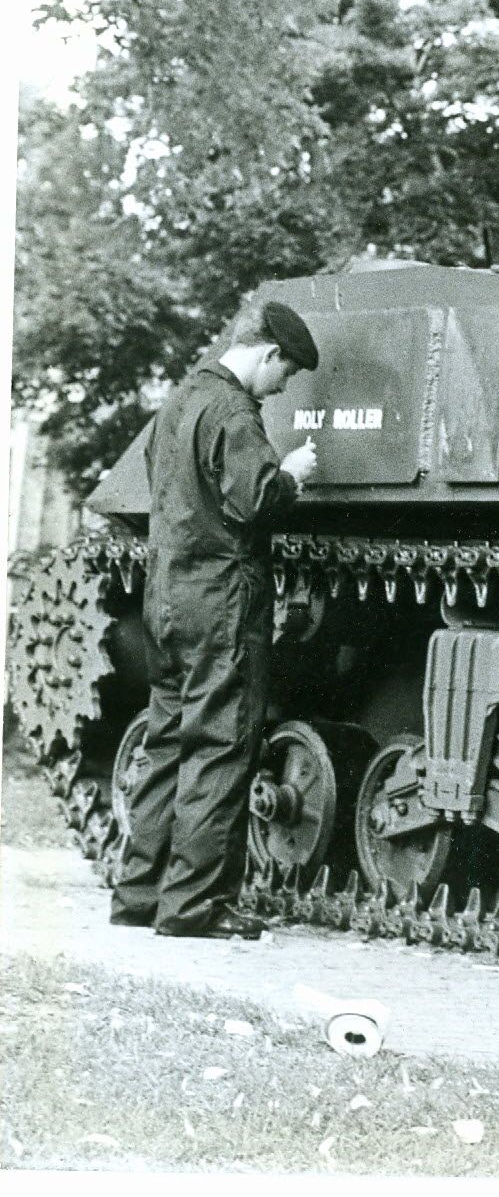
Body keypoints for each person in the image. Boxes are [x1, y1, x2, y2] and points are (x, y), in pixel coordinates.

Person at [110, 301, 320, 939]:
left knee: (167, 741)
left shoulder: (178, 401)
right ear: (268, 355)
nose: (283, 387)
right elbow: (253, 499)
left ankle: (139, 896)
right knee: (220, 747)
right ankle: (195, 907)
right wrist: (291, 475)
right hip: (222, 601)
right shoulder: (231, 410)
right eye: (285, 373)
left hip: (169, 595)